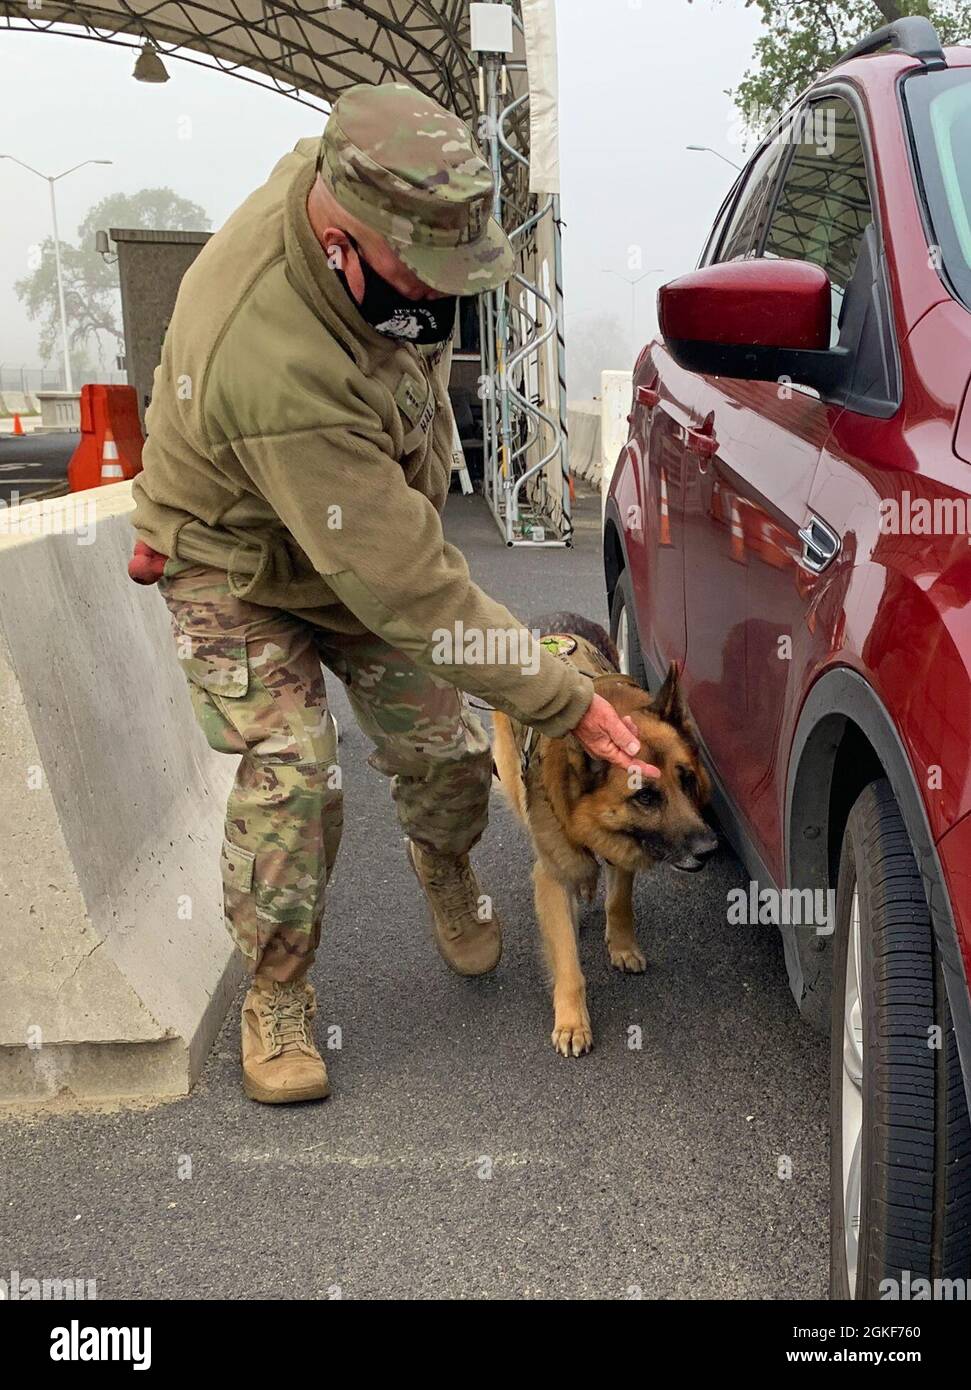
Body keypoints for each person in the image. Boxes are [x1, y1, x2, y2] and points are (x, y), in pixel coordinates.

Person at [129, 81, 656, 1106]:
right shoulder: (269, 353)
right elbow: (411, 587)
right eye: (425, 273)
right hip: (238, 563)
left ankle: (442, 861)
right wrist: (566, 700)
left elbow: (395, 478)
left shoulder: (375, 199)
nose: (442, 297)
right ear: (340, 241)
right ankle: (277, 993)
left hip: (358, 529)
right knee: (294, 772)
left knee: (447, 755)